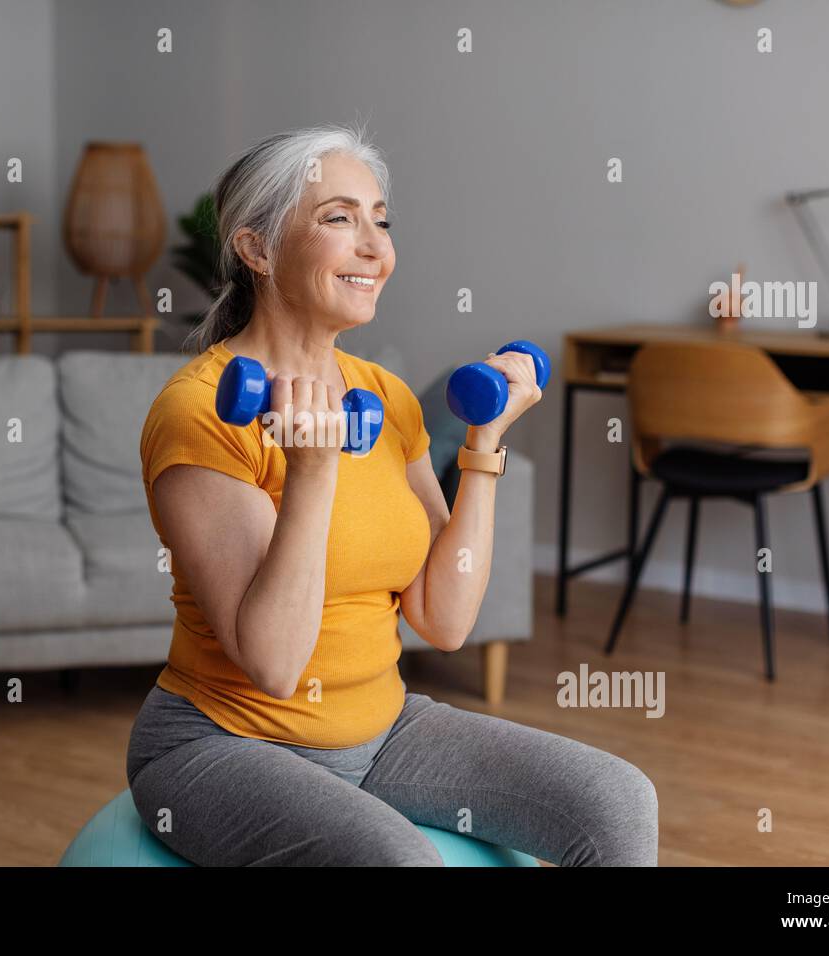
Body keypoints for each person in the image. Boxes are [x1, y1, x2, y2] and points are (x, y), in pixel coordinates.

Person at [127, 124, 658, 866]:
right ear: (257, 249)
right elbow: (274, 666)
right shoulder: (201, 414)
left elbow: (444, 620)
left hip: (383, 732)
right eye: (339, 218)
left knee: (616, 798)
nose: (376, 248)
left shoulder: (387, 398)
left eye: (381, 219)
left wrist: (484, 444)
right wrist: (312, 471)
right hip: (222, 744)